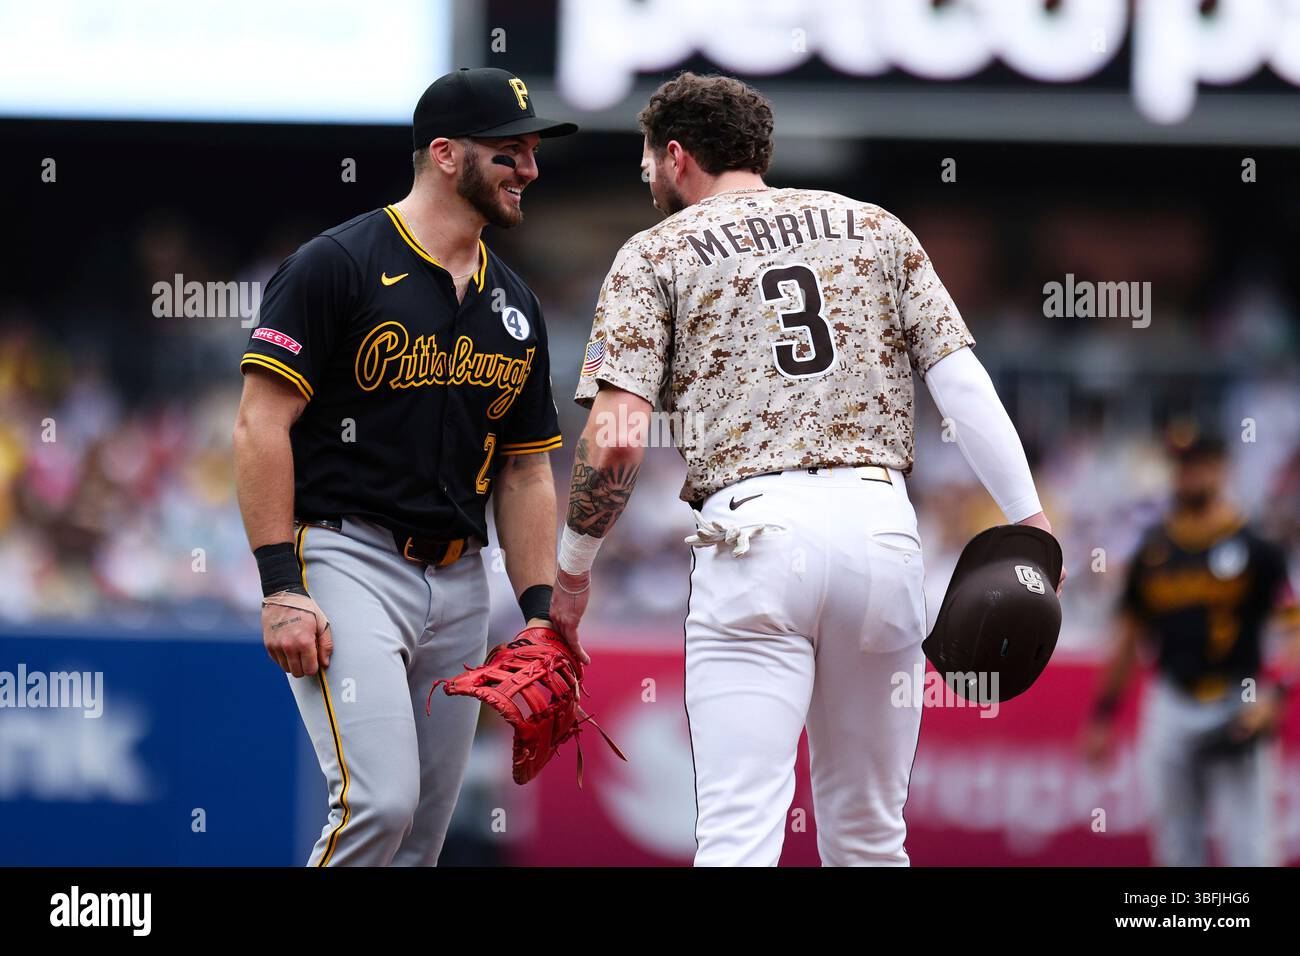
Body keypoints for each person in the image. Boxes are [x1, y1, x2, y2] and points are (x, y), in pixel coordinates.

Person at [548, 72, 1061, 866]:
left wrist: (573, 573)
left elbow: (616, 437)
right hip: (882, 531)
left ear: (676, 156)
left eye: (648, 161)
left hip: (753, 538)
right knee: (869, 836)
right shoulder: (875, 227)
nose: (646, 177)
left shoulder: (656, 252)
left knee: (739, 834)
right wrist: (1030, 524)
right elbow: (960, 382)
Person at [232, 68, 574, 866]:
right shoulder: (337, 264)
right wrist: (280, 582)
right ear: (447, 155)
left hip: (460, 582)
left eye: (530, 151)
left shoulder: (514, 302)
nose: (529, 169)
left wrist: (537, 612)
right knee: (379, 806)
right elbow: (259, 424)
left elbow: (524, 473)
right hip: (349, 557)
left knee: (420, 841)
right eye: (510, 151)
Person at [1083, 428, 1300, 866]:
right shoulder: (1154, 551)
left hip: (1238, 698)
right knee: (1177, 848)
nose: (1188, 475)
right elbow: (1129, 635)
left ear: (1221, 469)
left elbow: (1294, 627)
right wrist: (1104, 714)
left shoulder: (1257, 548)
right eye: (1181, 466)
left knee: (1251, 849)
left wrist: (1275, 694)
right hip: (1171, 700)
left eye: (1198, 465)